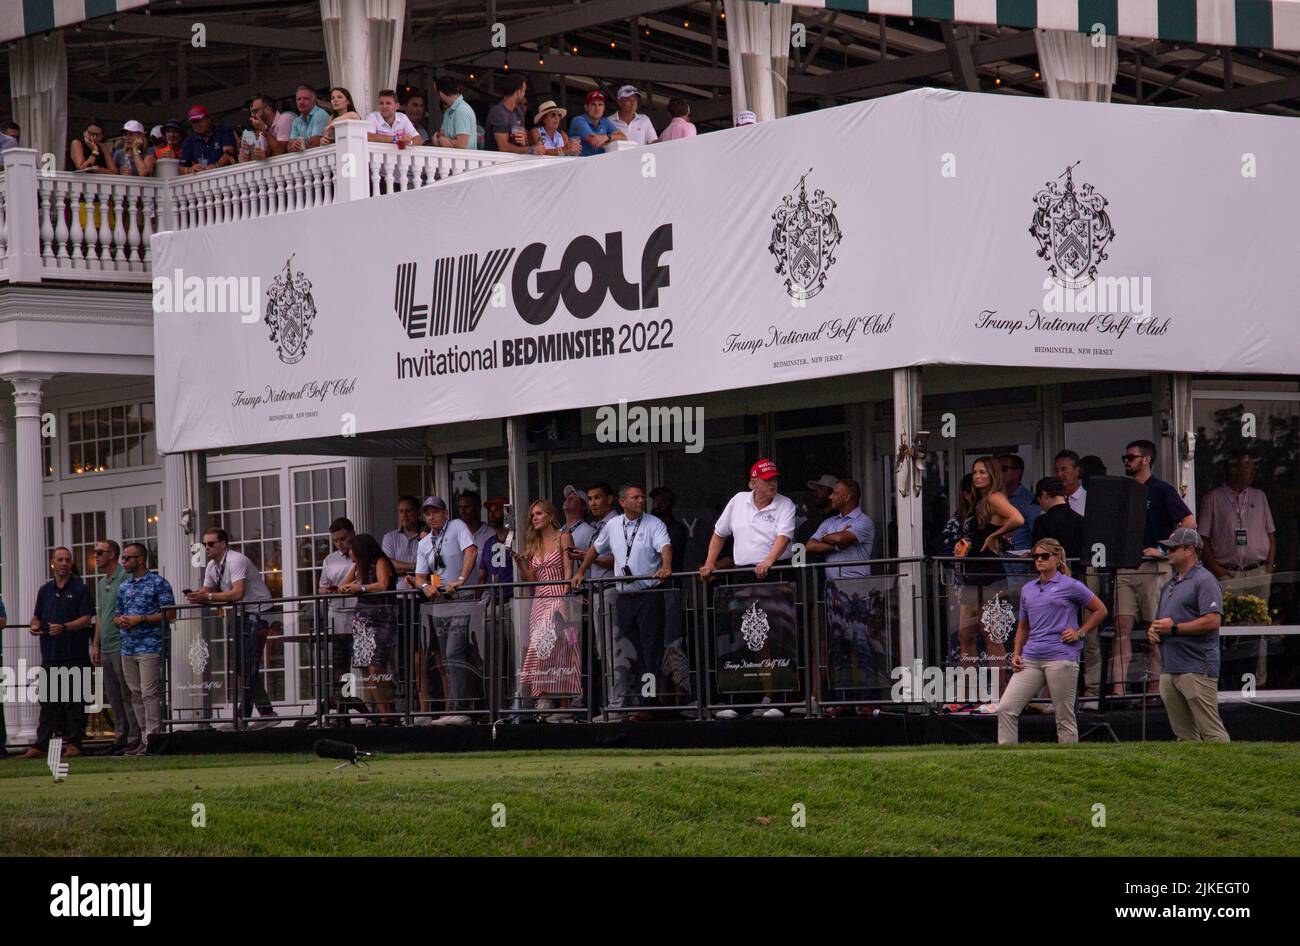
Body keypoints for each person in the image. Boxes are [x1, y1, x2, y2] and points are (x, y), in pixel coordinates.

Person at [574, 484, 673, 719]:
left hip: (648, 596)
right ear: (622, 502)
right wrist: (581, 573)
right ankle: (634, 701)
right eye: (635, 497)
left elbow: (666, 546)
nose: (641, 501)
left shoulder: (653, 523)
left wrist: (666, 566)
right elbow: (595, 549)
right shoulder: (613, 525)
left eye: (641, 497)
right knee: (631, 651)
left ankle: (648, 704)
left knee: (650, 651)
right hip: (624, 598)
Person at [997, 538, 1107, 744]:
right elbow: (1022, 626)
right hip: (1031, 656)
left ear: (1057, 558)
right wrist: (1017, 652)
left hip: (1061, 656)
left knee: (1064, 716)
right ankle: (1007, 758)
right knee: (1006, 708)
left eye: (1044, 556)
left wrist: (1080, 632)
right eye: (1035, 556)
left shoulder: (1071, 585)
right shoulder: (1028, 588)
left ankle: (1069, 763)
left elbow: (1100, 610)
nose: (1039, 560)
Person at [1111, 440, 1195, 698]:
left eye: (1131, 457)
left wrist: (1164, 549)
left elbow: (1189, 522)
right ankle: (1118, 689)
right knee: (1121, 627)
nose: (1126, 461)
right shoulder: (1124, 491)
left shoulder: (1161, 489)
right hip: (1126, 566)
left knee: (1155, 627)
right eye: (1124, 457)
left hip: (1154, 567)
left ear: (1146, 459)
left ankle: (1155, 687)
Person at [186, 528, 278, 726]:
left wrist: (207, 597)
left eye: (210, 544)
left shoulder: (236, 560)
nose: (206, 548)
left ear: (223, 544)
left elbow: (237, 593)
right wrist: (196, 596)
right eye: (204, 544)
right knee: (241, 667)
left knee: (248, 666)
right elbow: (206, 591)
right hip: (241, 615)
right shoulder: (212, 565)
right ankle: (263, 714)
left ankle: (246, 716)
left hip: (259, 613)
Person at [1147, 528, 1229, 742]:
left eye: (1173, 548)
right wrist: (1154, 630)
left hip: (1197, 667)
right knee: (1184, 738)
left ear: (1190, 550)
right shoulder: (1170, 583)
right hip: (1170, 668)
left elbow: (1213, 620)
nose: (1168, 552)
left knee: (1212, 733)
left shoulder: (1205, 580)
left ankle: (1227, 772)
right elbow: (1163, 621)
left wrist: (1173, 629)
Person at [19, 548, 95, 759]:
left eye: (67, 560)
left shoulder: (80, 589)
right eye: (60, 560)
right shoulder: (45, 591)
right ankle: (41, 744)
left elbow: (87, 618)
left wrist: (65, 627)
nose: (64, 563)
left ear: (71, 563)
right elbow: (36, 617)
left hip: (75, 654)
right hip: (50, 654)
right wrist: (34, 626)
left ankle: (74, 743)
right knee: (48, 702)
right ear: (53, 563)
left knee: (74, 701)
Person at [956, 456, 1024, 692]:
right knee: (965, 634)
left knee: (991, 634)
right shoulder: (980, 500)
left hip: (989, 572)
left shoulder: (995, 497)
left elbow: (1017, 518)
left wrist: (994, 536)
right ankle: (968, 691)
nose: (977, 476)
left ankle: (1000, 691)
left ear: (992, 475)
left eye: (982, 472)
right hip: (971, 572)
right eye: (975, 472)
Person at [413, 496, 479, 724]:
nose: (431, 516)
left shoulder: (457, 526)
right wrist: (425, 586)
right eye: (427, 513)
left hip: (461, 598)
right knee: (444, 659)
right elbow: (419, 576)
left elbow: (471, 551)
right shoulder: (423, 543)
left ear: (445, 513)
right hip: (439, 603)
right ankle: (452, 708)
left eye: (435, 512)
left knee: (454, 652)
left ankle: (462, 708)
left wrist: (461, 578)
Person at [515, 500, 579, 715]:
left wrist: (563, 597)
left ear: (550, 516)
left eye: (539, 513)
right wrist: (519, 562)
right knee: (546, 649)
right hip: (539, 599)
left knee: (556, 649)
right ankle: (543, 697)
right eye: (532, 515)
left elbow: (568, 569)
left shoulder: (564, 537)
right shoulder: (534, 544)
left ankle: (562, 704)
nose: (534, 518)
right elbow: (530, 578)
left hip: (558, 596)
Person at [113, 542, 177, 753]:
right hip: (127, 647)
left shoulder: (159, 583)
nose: (123, 562)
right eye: (123, 558)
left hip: (150, 645)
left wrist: (140, 619)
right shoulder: (124, 586)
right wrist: (120, 620)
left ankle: (154, 737)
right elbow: (117, 614)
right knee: (135, 693)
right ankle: (143, 738)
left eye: (127, 558)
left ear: (140, 559)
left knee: (150, 693)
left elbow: (169, 615)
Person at [700, 459, 796, 581]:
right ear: (754, 483)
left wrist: (768, 561)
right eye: (767, 479)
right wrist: (709, 563)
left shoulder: (786, 503)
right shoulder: (738, 500)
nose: (773, 483)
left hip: (776, 570)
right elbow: (719, 534)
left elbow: (784, 537)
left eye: (774, 479)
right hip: (743, 572)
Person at [338, 532, 399, 723]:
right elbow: (343, 585)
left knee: (376, 666)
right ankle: (377, 712)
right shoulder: (358, 567)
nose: (350, 553)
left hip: (381, 616)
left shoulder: (380, 561)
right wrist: (350, 585)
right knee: (365, 666)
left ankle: (387, 714)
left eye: (353, 549)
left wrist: (361, 588)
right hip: (363, 618)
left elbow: (383, 584)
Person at [1198, 450, 1275, 596]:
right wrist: (1216, 569)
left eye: (1254, 469)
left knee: (1259, 618)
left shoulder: (1259, 496)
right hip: (1228, 573)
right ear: (1233, 469)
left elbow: (1270, 535)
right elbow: (1203, 538)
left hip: (1258, 572)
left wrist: (1269, 567)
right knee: (1231, 618)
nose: (1253, 473)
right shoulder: (1213, 498)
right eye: (1248, 467)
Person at [91, 540, 137, 755]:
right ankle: (120, 737)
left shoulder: (125, 578)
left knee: (127, 692)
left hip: (123, 643)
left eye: (99, 552)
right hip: (107, 644)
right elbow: (101, 615)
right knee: (113, 694)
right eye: (95, 552)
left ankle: (133, 737)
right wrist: (96, 644)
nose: (96, 556)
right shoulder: (102, 583)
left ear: (112, 554)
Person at [807, 479, 875, 579]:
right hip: (832, 586)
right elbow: (810, 546)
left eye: (835, 493)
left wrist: (824, 537)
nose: (830, 497)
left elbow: (839, 539)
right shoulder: (829, 521)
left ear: (846, 497)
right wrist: (836, 547)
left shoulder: (863, 521)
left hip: (856, 584)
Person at [1031, 476, 1085, 564]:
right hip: (1076, 575)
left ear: (1044, 495)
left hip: (1052, 575)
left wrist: (1030, 554)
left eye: (1038, 501)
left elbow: (1039, 553)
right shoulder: (1081, 520)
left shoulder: (1042, 522)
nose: (1041, 507)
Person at [998, 454, 1040, 554]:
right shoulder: (995, 498)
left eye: (1003, 469)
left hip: (1019, 565)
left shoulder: (1029, 500)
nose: (998, 473)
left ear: (1017, 472)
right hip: (995, 564)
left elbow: (1038, 535)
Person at [485, 75, 538, 154]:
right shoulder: (499, 112)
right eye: (524, 91)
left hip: (515, 162)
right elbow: (503, 147)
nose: (524, 94)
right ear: (518, 92)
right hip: (497, 163)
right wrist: (531, 150)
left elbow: (522, 142)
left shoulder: (518, 111)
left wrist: (524, 141)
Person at [382, 495, 424, 587]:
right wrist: (416, 567)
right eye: (401, 511)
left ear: (418, 513)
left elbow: (430, 567)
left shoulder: (427, 536)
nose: (404, 515)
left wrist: (398, 568)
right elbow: (386, 566)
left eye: (408, 511)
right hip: (398, 594)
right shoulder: (390, 537)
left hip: (423, 592)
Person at [178, 105, 236, 173]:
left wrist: (216, 166)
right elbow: (180, 167)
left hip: (227, 175)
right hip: (203, 180)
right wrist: (189, 169)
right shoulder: (189, 141)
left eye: (199, 120)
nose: (196, 124)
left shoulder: (223, 131)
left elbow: (229, 153)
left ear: (209, 119)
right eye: (193, 122)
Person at [569, 90, 625, 157]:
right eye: (593, 104)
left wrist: (607, 137)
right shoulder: (578, 120)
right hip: (581, 164)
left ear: (604, 108)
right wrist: (611, 138)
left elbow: (623, 137)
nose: (597, 108)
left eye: (600, 104)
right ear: (586, 107)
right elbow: (594, 141)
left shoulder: (605, 121)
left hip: (599, 164)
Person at [241, 92, 293, 160]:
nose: (253, 115)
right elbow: (261, 153)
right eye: (252, 112)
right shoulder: (264, 128)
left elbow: (280, 152)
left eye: (255, 111)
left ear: (267, 109)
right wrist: (256, 155)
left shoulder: (285, 118)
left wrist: (264, 131)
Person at [477, 498, 514, 591]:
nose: (491, 514)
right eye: (490, 511)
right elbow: (482, 576)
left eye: (497, 510)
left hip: (514, 600)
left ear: (507, 514)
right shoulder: (489, 543)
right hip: (492, 600)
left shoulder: (517, 542)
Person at [431, 76, 477, 149]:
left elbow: (462, 144)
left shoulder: (462, 110)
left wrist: (441, 140)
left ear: (441, 93)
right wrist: (441, 139)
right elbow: (441, 134)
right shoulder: (449, 111)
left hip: (464, 159)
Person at [650, 487, 690, 569]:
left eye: (662, 500)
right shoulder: (646, 526)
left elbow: (671, 552)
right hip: (648, 577)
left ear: (671, 504)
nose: (657, 504)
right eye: (655, 500)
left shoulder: (678, 529)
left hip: (669, 577)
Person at [796, 474, 837, 545]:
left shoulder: (840, 518)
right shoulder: (811, 519)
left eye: (821, 488)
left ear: (832, 493)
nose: (816, 492)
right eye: (815, 489)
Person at [288, 84, 330, 150]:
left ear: (314, 100)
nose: (301, 102)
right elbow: (289, 147)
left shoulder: (320, 115)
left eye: (305, 98)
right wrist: (294, 145)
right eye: (299, 99)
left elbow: (315, 145)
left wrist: (298, 145)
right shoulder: (296, 121)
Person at [1054, 449, 1087, 515]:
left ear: (1077, 471)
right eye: (1056, 470)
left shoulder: (1089, 500)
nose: (1059, 474)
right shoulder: (1052, 501)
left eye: (1064, 469)